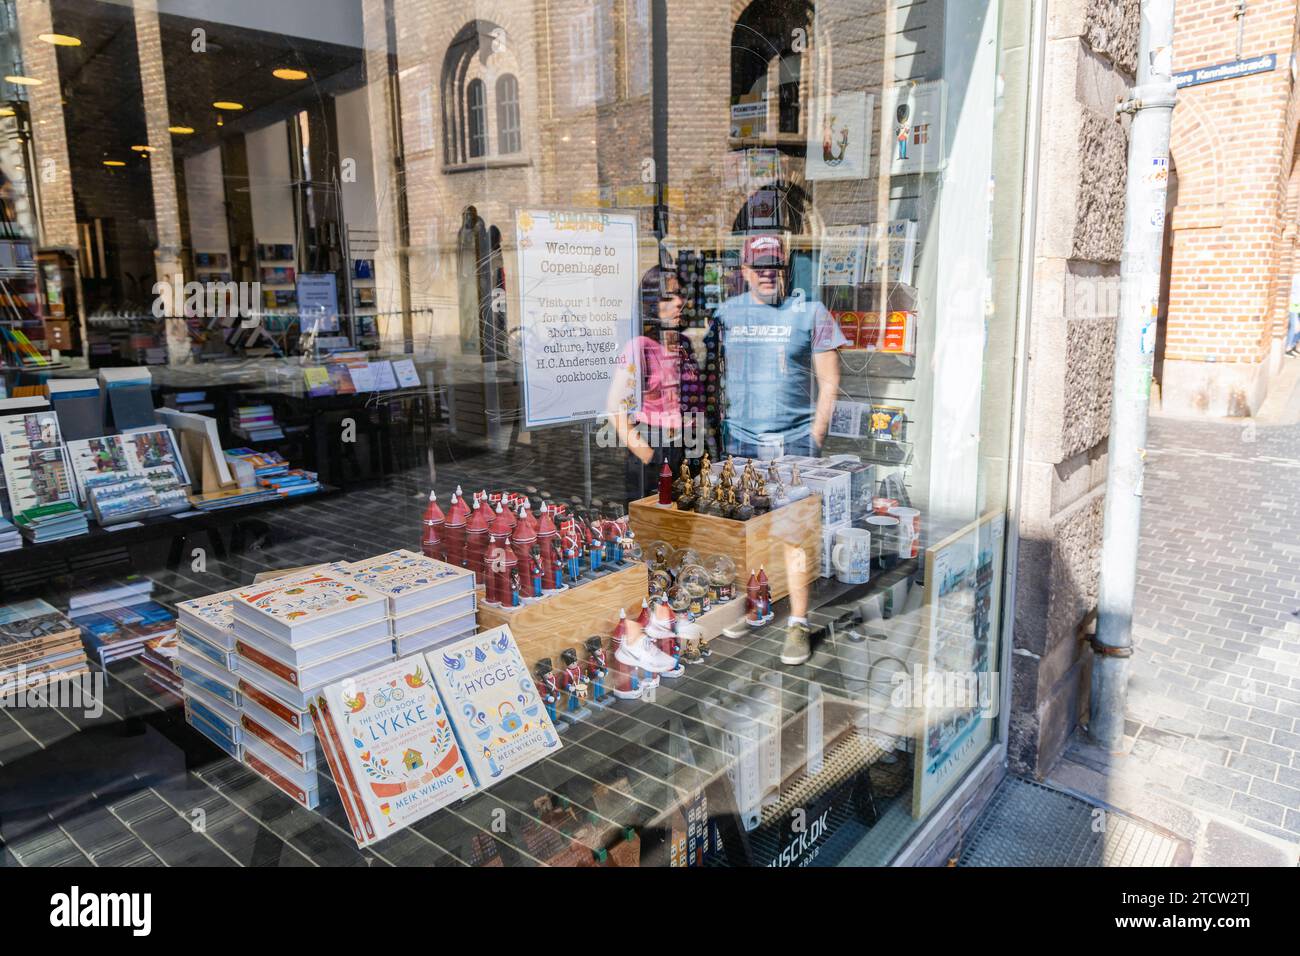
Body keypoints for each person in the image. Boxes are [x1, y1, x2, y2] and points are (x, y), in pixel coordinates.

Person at [708, 234, 846, 665]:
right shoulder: (726, 313)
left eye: (775, 267)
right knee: (745, 529)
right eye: (758, 267)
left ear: (786, 269)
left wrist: (815, 436)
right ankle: (750, 604)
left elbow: (830, 381)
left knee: (794, 536)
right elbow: (714, 373)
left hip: (795, 441)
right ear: (744, 272)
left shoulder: (811, 312)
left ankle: (798, 623)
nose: (768, 274)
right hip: (742, 440)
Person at [607, 264, 704, 502]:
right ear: (651, 303)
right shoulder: (639, 346)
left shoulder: (683, 343)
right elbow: (614, 406)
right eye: (667, 298)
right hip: (653, 441)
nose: (679, 302)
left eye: (680, 294)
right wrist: (648, 455)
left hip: (685, 443)